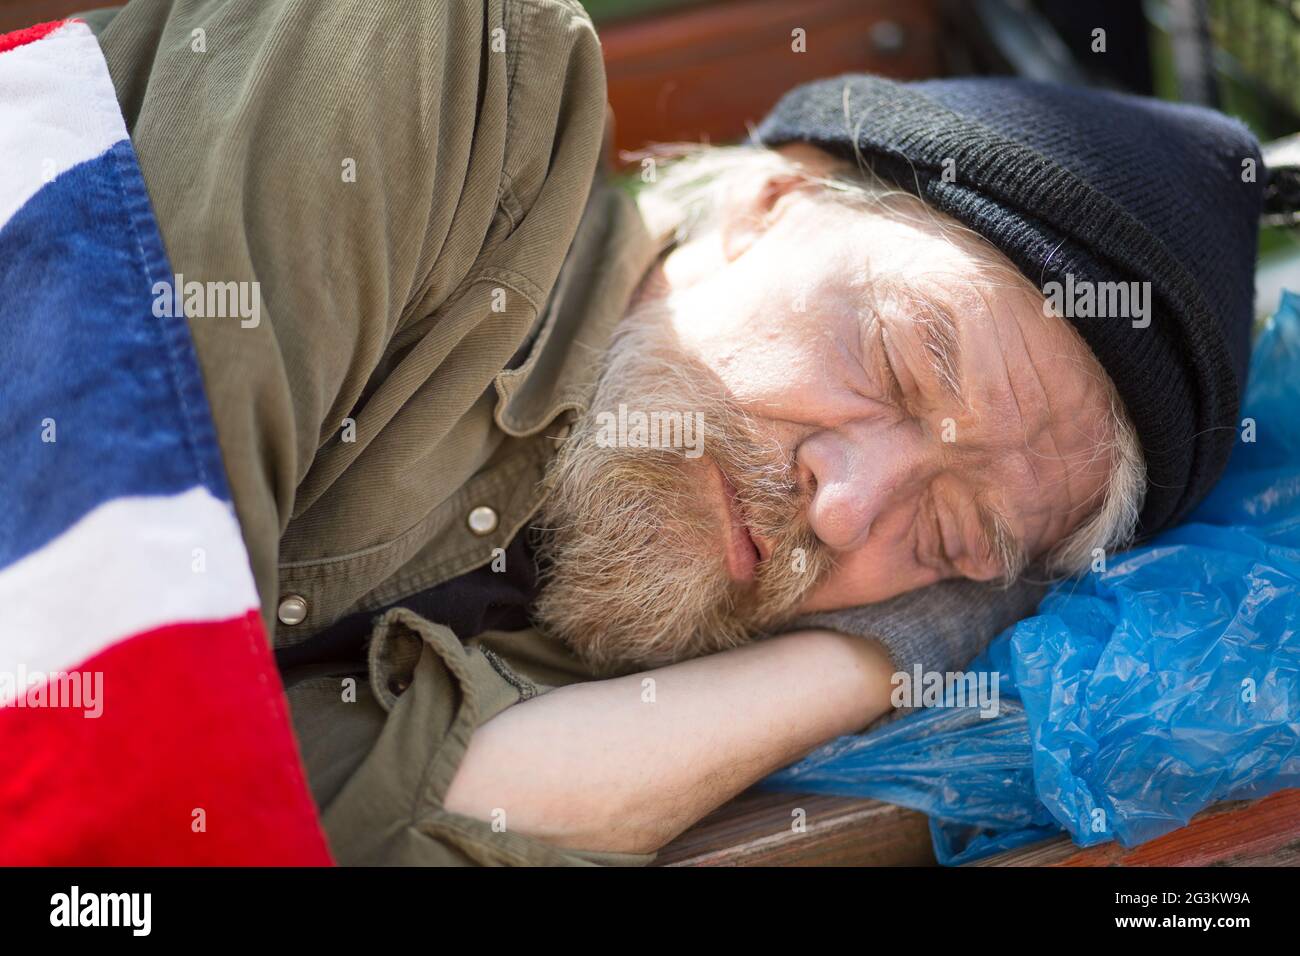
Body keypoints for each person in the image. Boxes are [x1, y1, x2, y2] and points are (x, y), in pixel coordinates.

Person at [77, 0, 1263, 864]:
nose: (844, 509)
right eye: (895, 363)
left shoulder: (644, 608)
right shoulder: (434, 61)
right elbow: (107, 784)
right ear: (771, 195)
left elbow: (307, 828)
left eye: (948, 532)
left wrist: (882, 647)